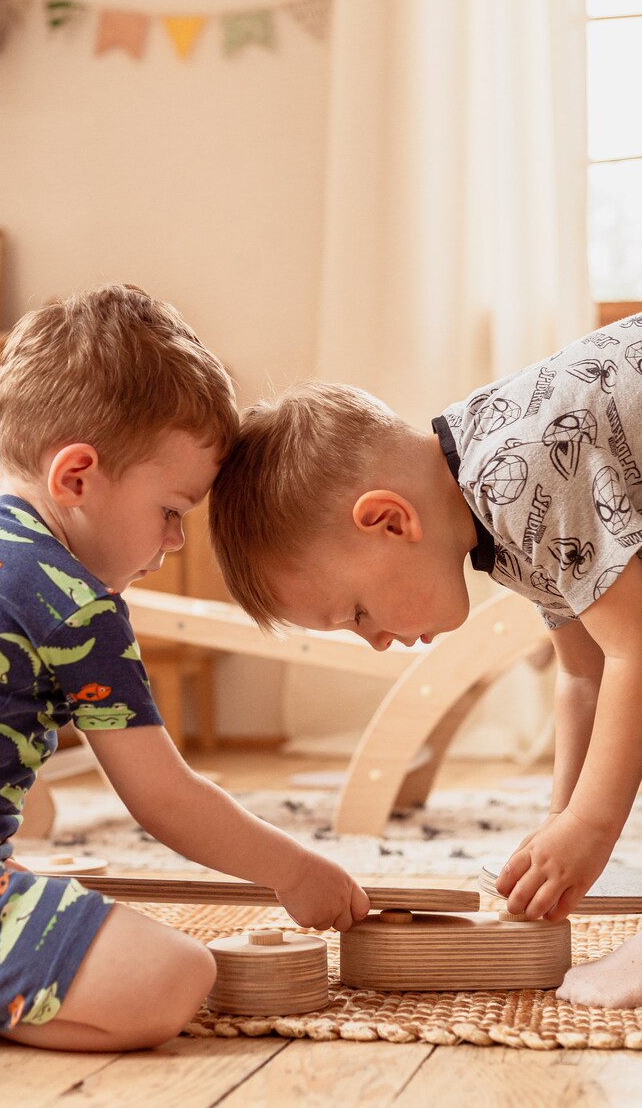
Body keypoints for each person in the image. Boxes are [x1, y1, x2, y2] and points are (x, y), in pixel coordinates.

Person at [0, 283, 370, 1050]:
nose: (175, 542)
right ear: (77, 477)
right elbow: (164, 799)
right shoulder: (75, 601)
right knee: (176, 977)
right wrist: (295, 872)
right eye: (171, 511)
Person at [208, 316, 642, 1008]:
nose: (375, 639)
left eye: (357, 613)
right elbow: (585, 673)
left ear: (388, 521)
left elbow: (635, 651)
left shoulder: (521, 476)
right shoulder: (489, 499)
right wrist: (561, 829)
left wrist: (590, 828)